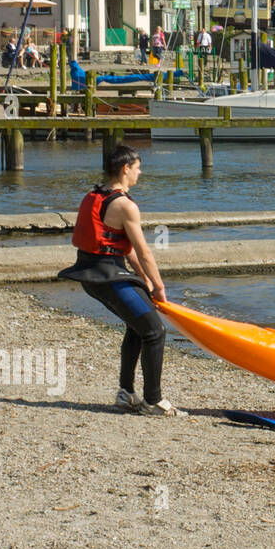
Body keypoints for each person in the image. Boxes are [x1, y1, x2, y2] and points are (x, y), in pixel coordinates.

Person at [57, 145, 183, 416]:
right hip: (107, 276)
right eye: (138, 168)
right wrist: (159, 286)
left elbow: (122, 249)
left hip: (91, 274)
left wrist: (143, 280)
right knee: (155, 332)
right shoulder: (125, 205)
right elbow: (144, 251)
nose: (140, 173)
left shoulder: (95, 195)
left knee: (137, 327)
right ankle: (153, 401)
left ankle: (126, 394)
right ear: (126, 169)